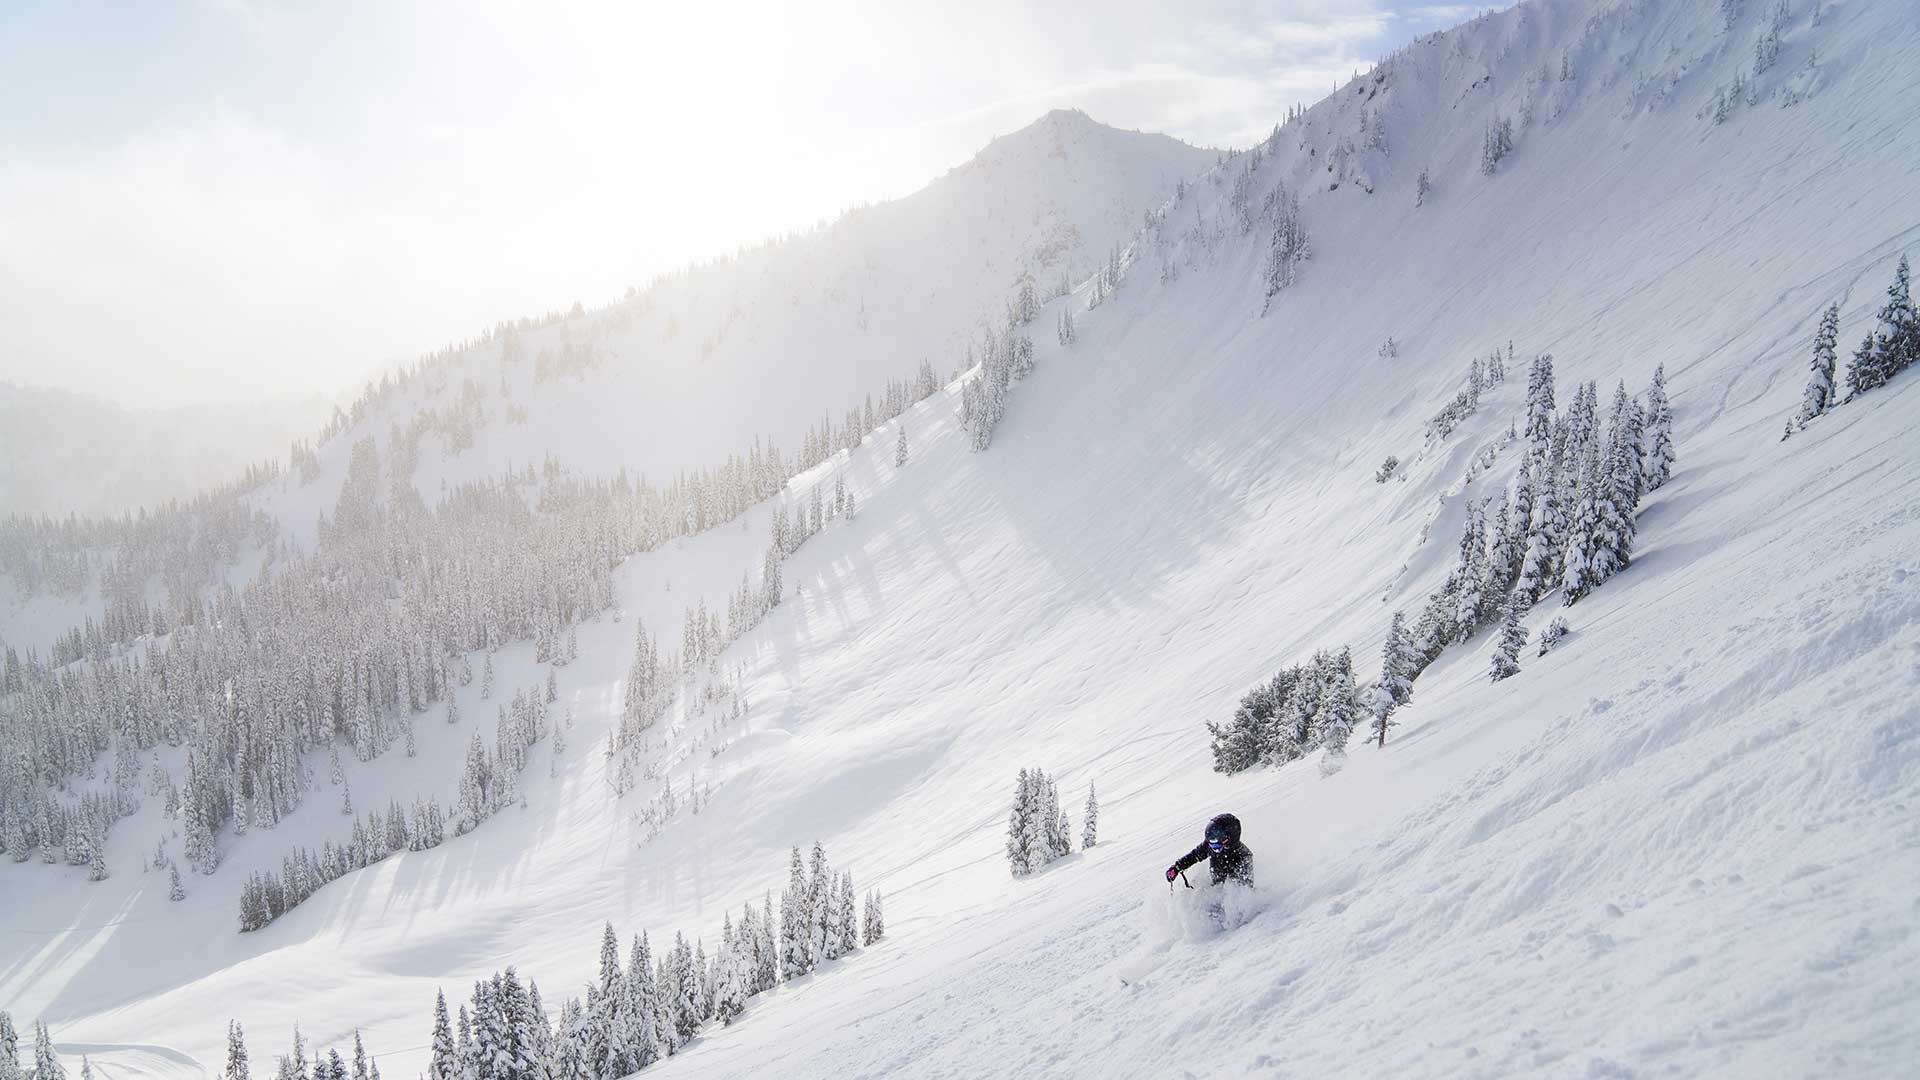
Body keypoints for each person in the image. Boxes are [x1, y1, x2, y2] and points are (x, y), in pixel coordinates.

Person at [1165, 812, 1252, 887]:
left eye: (1217, 846)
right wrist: (1177, 867)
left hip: (1231, 896)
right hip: (1217, 889)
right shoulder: (1210, 847)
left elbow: (1245, 888)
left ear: (1228, 838)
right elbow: (1194, 856)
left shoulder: (1244, 856)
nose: (1214, 848)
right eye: (1212, 845)